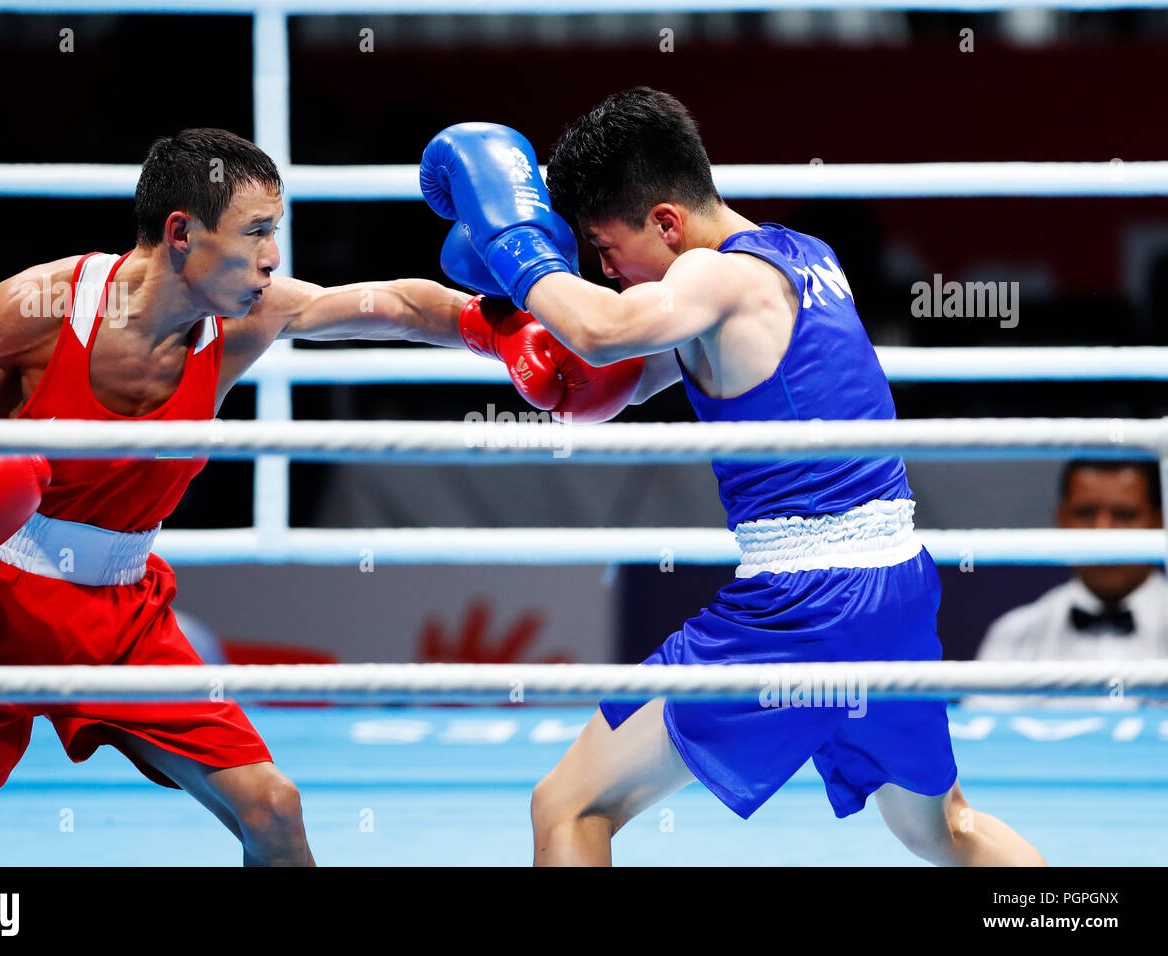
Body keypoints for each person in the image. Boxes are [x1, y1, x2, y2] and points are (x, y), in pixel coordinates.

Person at [0, 127, 643, 866]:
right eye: (256, 233)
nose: (274, 258)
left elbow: (396, 306)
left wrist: (498, 327)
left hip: (118, 621)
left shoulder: (247, 318)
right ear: (182, 232)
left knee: (272, 807)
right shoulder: (37, 309)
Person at [420, 87, 1048, 866]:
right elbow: (602, 372)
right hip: (895, 588)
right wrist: (488, 322)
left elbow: (601, 329)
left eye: (606, 248)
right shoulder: (806, 256)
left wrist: (516, 241)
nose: (609, 271)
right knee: (945, 827)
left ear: (667, 223)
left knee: (569, 805)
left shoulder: (714, 279)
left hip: (803, 606)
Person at [977, 459, 1167, 678]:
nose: (1102, 532)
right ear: (1062, 519)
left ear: (1160, 522)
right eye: (1086, 513)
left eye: (1124, 515)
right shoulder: (1015, 634)